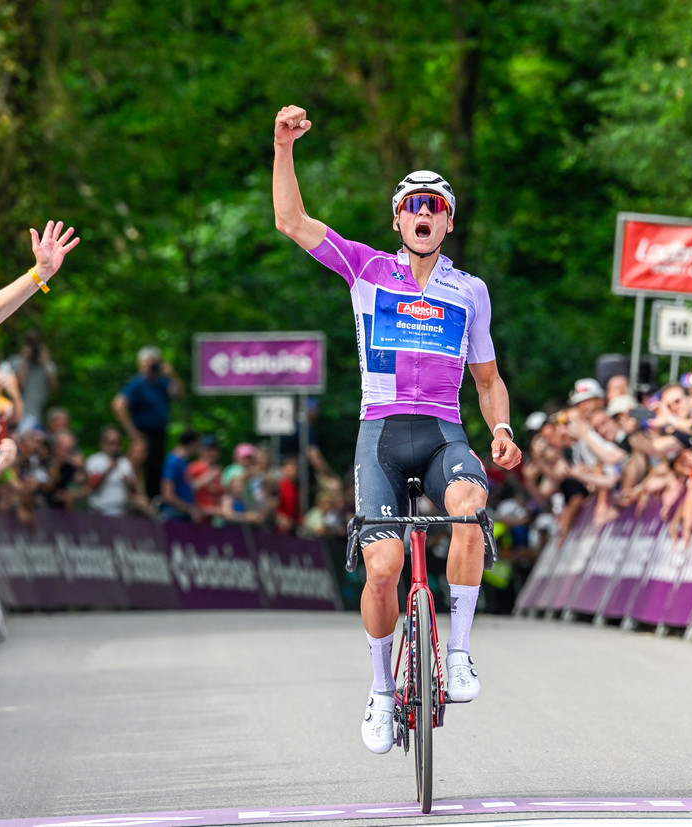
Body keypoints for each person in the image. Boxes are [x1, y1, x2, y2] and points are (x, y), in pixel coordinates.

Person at [274, 104, 521, 754]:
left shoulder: (470, 290)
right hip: (380, 435)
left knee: (470, 506)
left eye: (435, 205)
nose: (424, 213)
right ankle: (382, 689)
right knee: (381, 568)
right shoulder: (365, 268)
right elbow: (290, 222)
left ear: (446, 220)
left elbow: (488, 379)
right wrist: (283, 147)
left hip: (443, 432)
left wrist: (500, 428)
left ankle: (460, 651)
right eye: (413, 204)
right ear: (396, 220)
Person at [112, 346, 183, 500]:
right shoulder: (137, 384)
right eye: (149, 363)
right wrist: (132, 432)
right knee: (139, 467)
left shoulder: (162, 384)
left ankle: (155, 500)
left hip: (160, 433)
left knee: (157, 469)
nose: (153, 366)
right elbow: (119, 404)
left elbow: (178, 393)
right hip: (143, 432)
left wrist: (172, 375)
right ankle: (139, 498)